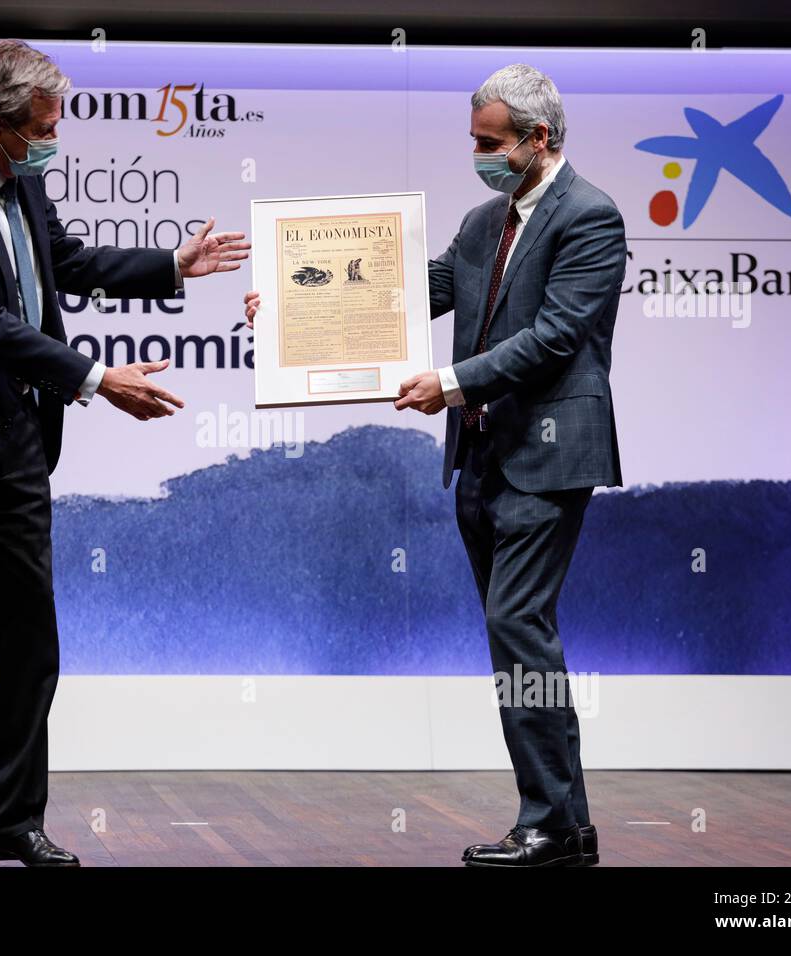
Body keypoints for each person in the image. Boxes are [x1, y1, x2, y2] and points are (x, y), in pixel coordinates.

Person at [0, 39, 249, 867]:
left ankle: (16, 823)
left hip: (18, 446)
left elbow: (64, 265)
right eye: (42, 125)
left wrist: (174, 264)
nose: (54, 137)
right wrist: (100, 379)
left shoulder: (21, 177)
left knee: (29, 646)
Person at [244, 63, 625, 867]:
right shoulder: (485, 220)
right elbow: (408, 292)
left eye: (489, 143)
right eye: (475, 140)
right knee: (522, 638)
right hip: (482, 458)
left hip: (548, 456)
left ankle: (550, 822)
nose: (478, 154)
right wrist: (287, 307)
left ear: (538, 139)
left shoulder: (591, 217)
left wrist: (449, 384)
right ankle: (569, 823)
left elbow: (557, 336)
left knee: (518, 627)